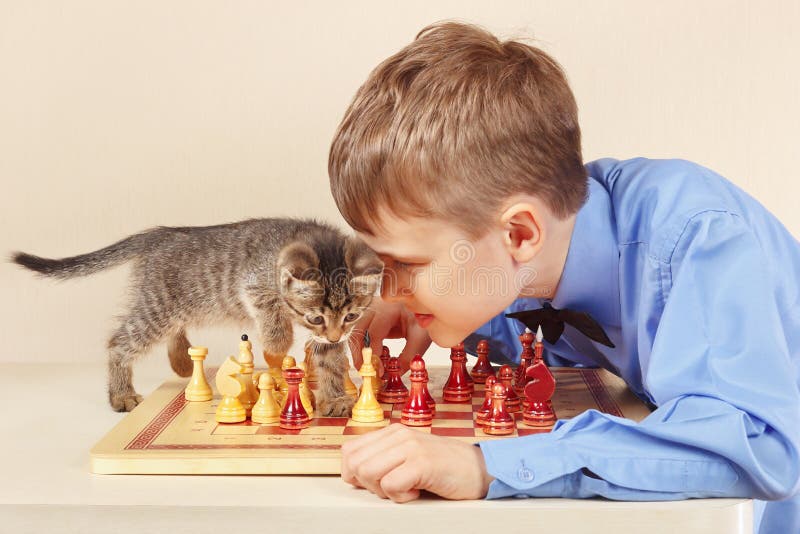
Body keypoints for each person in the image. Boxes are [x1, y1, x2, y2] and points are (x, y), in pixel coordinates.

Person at [328, 21, 800, 534]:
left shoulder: (697, 238)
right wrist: (432, 306)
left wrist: (483, 465)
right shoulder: (538, 251)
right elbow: (529, 325)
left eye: (407, 264)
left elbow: (760, 445)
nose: (387, 288)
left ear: (519, 233)